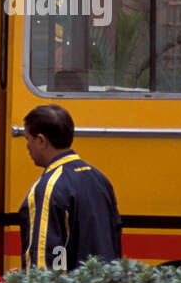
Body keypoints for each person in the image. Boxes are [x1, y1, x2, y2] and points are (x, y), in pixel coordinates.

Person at [19, 104, 122, 270]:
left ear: (41, 140)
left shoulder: (47, 187)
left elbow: (46, 258)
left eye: (27, 139)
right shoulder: (98, 178)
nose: (27, 146)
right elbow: (114, 240)